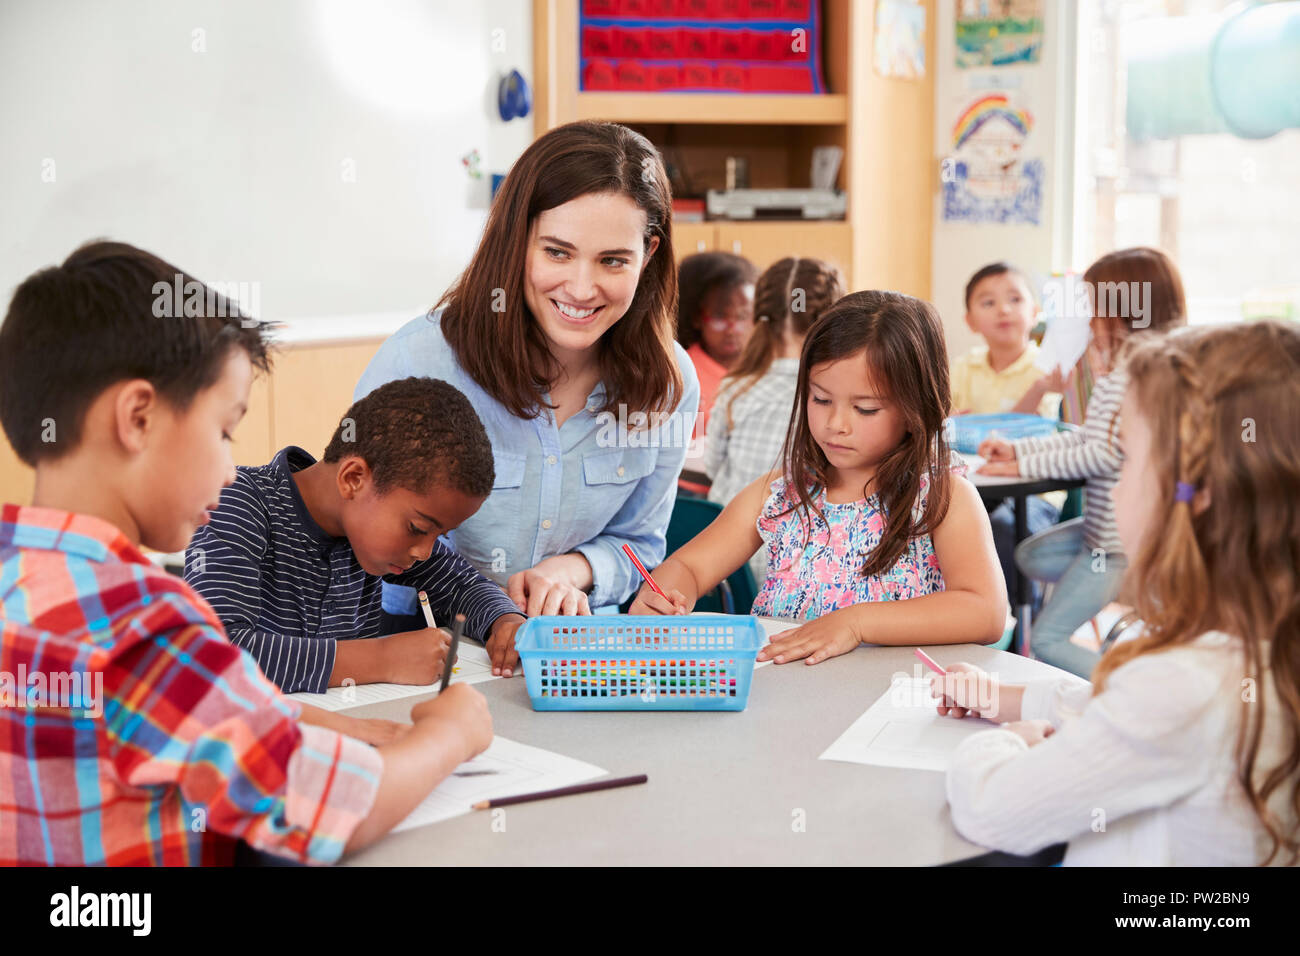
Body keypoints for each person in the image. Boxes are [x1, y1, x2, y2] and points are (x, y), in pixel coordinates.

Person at [0, 240, 492, 864]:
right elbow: (328, 811)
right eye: (224, 429)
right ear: (138, 418)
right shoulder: (144, 628)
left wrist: (333, 725)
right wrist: (449, 738)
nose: (231, 469)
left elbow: (168, 714)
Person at [936, 320, 1300, 866]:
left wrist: (1015, 737)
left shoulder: (1187, 686)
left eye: (1127, 459)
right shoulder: (1246, 646)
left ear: (1194, 496)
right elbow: (1116, 709)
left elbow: (989, 807)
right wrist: (1002, 697)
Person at [355, 121, 699, 675]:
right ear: (518, 241)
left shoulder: (668, 383)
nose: (583, 289)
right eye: (558, 253)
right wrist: (494, 613)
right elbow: (366, 528)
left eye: (613, 260)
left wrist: (570, 571)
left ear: (649, 253)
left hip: (578, 651)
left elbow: (639, 545)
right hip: (420, 650)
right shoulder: (421, 361)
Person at [630, 291, 1007, 664]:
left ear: (915, 407)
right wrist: (664, 596)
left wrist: (856, 623)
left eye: (865, 409)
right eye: (821, 399)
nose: (835, 424)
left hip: (888, 706)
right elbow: (690, 568)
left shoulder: (942, 496)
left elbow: (984, 611)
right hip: (787, 704)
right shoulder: (780, 493)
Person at [185, 377, 527, 694]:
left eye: (439, 534)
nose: (424, 551)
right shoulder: (236, 500)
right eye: (418, 529)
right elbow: (213, 653)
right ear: (354, 479)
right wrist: (381, 658)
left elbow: (461, 583)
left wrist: (504, 621)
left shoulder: (370, 536)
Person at [978, 247, 1187, 677]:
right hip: (1106, 537)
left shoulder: (1128, 381)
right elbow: (1086, 442)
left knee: (1048, 639)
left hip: (1114, 547)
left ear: (1123, 316)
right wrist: (1018, 453)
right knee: (1029, 557)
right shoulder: (1145, 375)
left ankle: (1125, 686)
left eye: (1095, 310)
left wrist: (1019, 464)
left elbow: (1094, 454)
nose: (1089, 323)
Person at [702, 256, 844, 583]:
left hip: (730, 570)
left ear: (758, 317)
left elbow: (712, 468)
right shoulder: (838, 396)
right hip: (804, 573)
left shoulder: (736, 387)